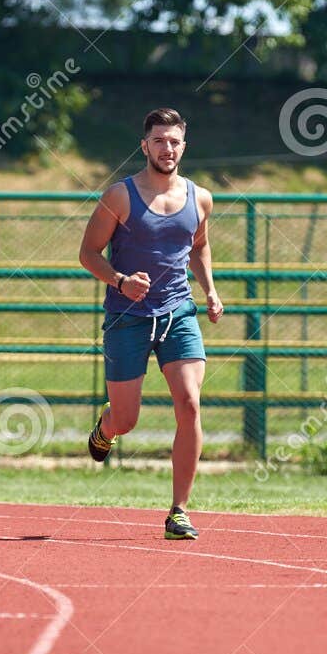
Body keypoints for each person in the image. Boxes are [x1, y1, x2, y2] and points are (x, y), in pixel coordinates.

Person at [78, 107, 223, 539]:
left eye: (174, 140)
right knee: (127, 419)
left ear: (184, 145)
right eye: (158, 140)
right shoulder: (120, 196)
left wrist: (211, 291)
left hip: (178, 311)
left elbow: (198, 246)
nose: (167, 148)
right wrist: (121, 281)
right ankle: (107, 427)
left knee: (190, 403)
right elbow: (88, 254)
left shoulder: (201, 198)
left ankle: (179, 510)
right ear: (145, 146)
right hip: (129, 317)